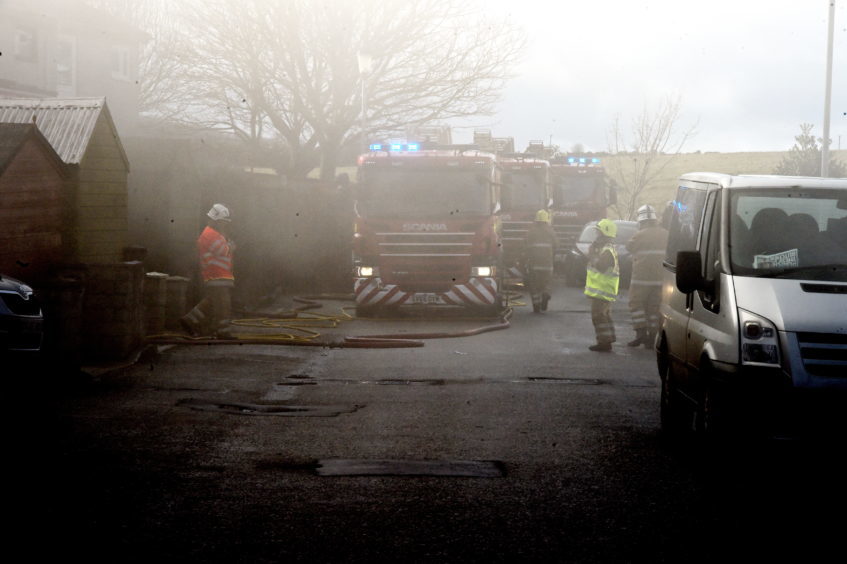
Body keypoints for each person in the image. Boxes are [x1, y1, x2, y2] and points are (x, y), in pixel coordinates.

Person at [180, 204, 236, 338]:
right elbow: (224, 250)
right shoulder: (211, 234)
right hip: (217, 274)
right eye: (223, 222)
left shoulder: (212, 234)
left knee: (212, 300)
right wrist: (231, 246)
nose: (224, 225)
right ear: (216, 220)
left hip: (218, 274)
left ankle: (189, 320)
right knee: (223, 302)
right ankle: (223, 331)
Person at [625, 204, 669, 348]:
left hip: (641, 280)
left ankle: (640, 332)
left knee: (636, 304)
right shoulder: (666, 234)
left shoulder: (639, 235)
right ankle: (653, 336)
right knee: (654, 308)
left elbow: (629, 247)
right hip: (660, 279)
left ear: (641, 221)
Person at [584, 218, 619, 352]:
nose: (597, 236)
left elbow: (601, 266)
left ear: (605, 233)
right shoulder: (607, 248)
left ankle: (604, 343)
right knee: (604, 315)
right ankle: (608, 339)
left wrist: (592, 254)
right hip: (604, 290)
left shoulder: (607, 250)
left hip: (603, 291)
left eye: (598, 233)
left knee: (598, 316)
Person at [523, 209, 557, 312]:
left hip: (534, 264)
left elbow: (525, 246)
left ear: (536, 220)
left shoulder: (531, 231)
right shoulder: (550, 231)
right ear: (546, 220)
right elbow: (557, 245)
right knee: (547, 282)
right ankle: (546, 294)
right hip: (548, 264)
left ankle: (536, 306)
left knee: (534, 285)